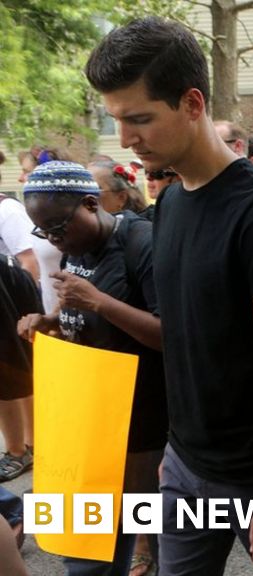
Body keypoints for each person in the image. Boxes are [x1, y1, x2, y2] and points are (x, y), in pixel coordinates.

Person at [86, 17, 253, 575]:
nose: (125, 139)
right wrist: (175, 451)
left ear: (192, 103)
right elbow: (186, 339)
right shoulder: (168, 204)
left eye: (140, 119)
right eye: (117, 120)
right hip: (188, 465)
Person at [18, 160, 168, 576]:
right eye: (43, 231)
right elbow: (79, 310)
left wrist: (99, 302)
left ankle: (146, 554)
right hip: (88, 420)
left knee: (133, 533)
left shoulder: (143, 244)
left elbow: (173, 337)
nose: (53, 239)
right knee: (84, 550)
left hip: (142, 421)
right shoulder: (76, 249)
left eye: (58, 228)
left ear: (90, 203)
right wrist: (50, 323)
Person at [0, 185, 39, 483]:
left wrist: (28, 311)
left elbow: (29, 260)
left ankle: (21, 449)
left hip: (12, 298)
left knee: (13, 376)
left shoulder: (7, 210)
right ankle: (28, 444)